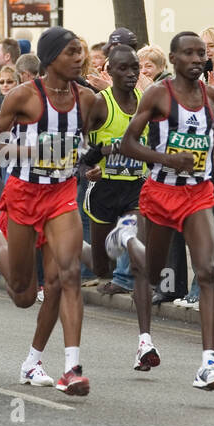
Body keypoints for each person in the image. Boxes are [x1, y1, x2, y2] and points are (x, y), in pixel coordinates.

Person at [0, 27, 98, 394]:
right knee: (24, 294)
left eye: (81, 52)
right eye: (72, 52)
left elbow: (90, 145)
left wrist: (89, 164)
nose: (79, 59)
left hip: (62, 194)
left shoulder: (87, 100)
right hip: (23, 194)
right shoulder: (24, 96)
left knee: (64, 278)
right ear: (52, 57)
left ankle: (64, 366)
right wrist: (32, 154)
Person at [111, 32, 214, 385]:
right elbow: (127, 143)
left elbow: (211, 131)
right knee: (151, 274)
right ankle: (144, 339)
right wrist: (167, 158)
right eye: (189, 54)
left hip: (198, 193)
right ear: (173, 58)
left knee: (208, 271)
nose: (197, 59)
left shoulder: (211, 93)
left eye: (201, 53)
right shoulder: (159, 95)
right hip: (160, 192)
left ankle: (209, 363)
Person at [79, 44, 146, 303]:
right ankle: (69, 244)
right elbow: (78, 145)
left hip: (135, 186)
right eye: (124, 68)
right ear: (110, 71)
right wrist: (88, 166)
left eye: (135, 68)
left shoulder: (145, 101)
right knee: (100, 266)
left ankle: (132, 278)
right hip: (103, 188)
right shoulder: (99, 103)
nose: (131, 74)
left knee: (134, 234)